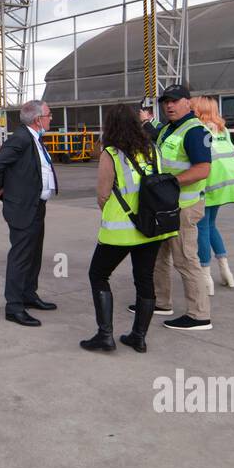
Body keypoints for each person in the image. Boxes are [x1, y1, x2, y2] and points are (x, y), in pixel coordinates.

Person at [80, 104, 176, 353]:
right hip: (153, 226)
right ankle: (139, 336)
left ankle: (105, 335)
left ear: (110, 126)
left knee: (98, 275)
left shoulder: (110, 154)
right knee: (144, 279)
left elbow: (102, 194)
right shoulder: (153, 149)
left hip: (121, 229)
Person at [136, 84, 212, 331]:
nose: (169, 105)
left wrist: (168, 182)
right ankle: (161, 302)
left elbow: (203, 169)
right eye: (166, 101)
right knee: (159, 257)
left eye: (175, 100)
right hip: (166, 205)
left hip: (185, 205)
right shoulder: (169, 128)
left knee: (185, 259)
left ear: (188, 102)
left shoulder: (194, 131)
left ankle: (199, 315)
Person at [0, 100, 59, 326]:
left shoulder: (34, 138)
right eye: (49, 114)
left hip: (36, 205)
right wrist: (0, 190)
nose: (51, 118)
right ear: (38, 119)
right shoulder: (21, 138)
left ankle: (29, 294)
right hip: (22, 208)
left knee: (34, 254)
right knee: (20, 256)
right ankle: (14, 306)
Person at [190, 96, 234, 293]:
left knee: (202, 228)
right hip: (224, 185)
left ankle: (206, 277)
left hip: (208, 184)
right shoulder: (223, 129)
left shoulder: (200, 130)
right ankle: (226, 271)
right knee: (211, 225)